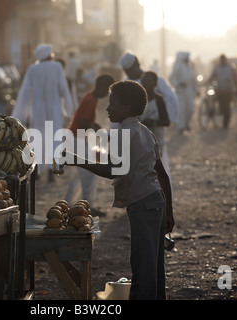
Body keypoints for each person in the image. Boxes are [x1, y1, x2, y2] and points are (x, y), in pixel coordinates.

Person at [64, 80, 174, 300]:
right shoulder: (144, 131)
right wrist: (169, 211)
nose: (107, 108)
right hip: (156, 201)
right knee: (154, 267)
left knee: (143, 266)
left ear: (127, 108)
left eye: (113, 103)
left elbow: (114, 170)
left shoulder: (124, 134)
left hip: (144, 204)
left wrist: (78, 160)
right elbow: (162, 174)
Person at [11, 43, 74, 182]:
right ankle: (53, 170)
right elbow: (63, 89)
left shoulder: (32, 69)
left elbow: (25, 93)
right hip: (54, 108)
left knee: (37, 138)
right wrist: (68, 110)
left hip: (37, 109)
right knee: (54, 138)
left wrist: (21, 115)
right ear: (49, 55)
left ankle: (37, 171)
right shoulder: (57, 67)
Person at [119, 52, 176, 177]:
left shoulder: (155, 81)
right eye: (126, 70)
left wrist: (160, 116)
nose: (128, 73)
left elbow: (171, 99)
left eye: (130, 69)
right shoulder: (126, 85)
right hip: (136, 137)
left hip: (157, 136)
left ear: (137, 64)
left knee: (159, 170)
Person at [64, 74, 115, 210]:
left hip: (75, 138)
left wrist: (100, 130)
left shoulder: (90, 97)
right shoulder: (90, 99)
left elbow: (89, 122)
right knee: (89, 175)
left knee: (76, 177)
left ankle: (69, 205)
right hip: (77, 139)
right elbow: (84, 123)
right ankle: (87, 207)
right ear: (103, 87)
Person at [140, 71, 170, 157]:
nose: (144, 84)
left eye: (147, 81)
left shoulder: (158, 100)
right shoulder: (138, 99)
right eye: (143, 81)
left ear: (155, 84)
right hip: (141, 141)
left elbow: (166, 121)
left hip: (157, 141)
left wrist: (153, 122)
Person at [169, 51, 197, 134]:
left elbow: (193, 80)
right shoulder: (177, 67)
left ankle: (186, 123)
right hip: (181, 90)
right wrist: (178, 84)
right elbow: (171, 78)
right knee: (182, 109)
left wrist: (196, 90)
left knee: (191, 108)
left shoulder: (189, 67)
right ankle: (181, 126)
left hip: (189, 91)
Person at [207, 54, 237, 129]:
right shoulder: (217, 68)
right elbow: (212, 77)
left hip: (228, 91)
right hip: (220, 91)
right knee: (221, 106)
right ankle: (224, 121)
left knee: (226, 106)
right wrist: (207, 82)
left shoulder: (230, 68)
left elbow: (235, 78)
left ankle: (226, 123)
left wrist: (236, 88)